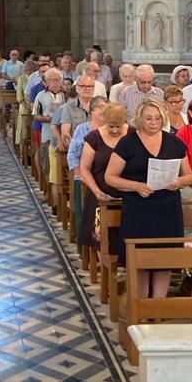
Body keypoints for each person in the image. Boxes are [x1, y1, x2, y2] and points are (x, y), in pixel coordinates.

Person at [105, 98, 192, 298]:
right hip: (139, 208)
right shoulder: (127, 143)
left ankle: (158, 306)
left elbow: (190, 176)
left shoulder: (174, 142)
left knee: (164, 260)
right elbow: (110, 177)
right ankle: (141, 306)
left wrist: (179, 181)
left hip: (168, 209)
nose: (153, 122)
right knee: (141, 261)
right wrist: (136, 186)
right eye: (148, 118)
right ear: (140, 119)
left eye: (157, 118)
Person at [78, 102, 129, 262]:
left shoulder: (132, 134)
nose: (114, 131)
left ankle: (126, 265)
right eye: (110, 126)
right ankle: (107, 267)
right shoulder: (94, 138)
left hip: (127, 194)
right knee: (101, 236)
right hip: (100, 194)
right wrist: (95, 190)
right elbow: (84, 167)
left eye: (118, 126)